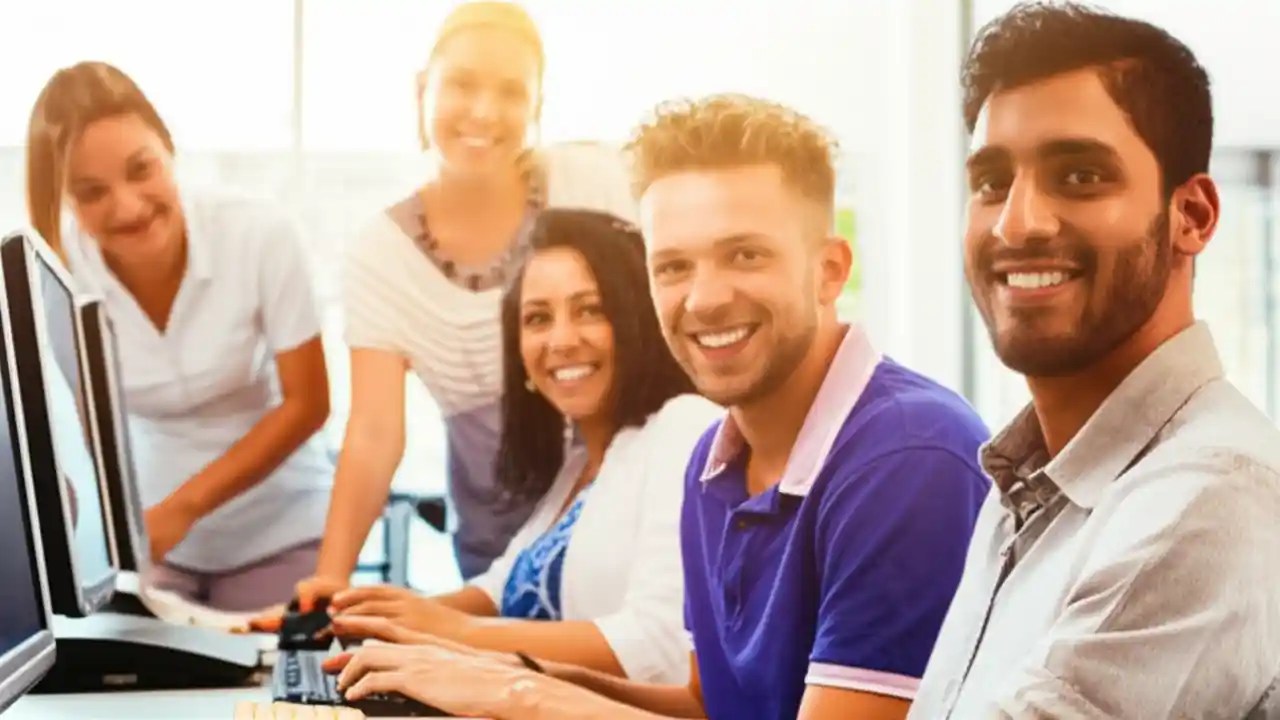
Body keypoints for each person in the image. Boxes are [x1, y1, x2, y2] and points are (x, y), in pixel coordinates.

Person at [325, 94, 992, 720]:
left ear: (829, 270)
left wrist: (520, 692)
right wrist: (475, 671)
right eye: (673, 267)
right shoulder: (713, 461)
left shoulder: (909, 456)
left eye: (745, 254)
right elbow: (707, 707)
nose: (703, 299)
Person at [906, 4, 1280, 718]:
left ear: (1192, 217)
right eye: (991, 183)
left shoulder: (1207, 498)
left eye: (1079, 176)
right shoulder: (1032, 485)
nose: (1018, 223)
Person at [295, 0, 637, 603]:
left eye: (511, 92)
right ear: (422, 90)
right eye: (462, 84)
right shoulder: (381, 251)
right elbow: (375, 433)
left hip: (626, 523)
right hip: (500, 548)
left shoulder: (592, 183)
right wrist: (330, 580)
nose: (484, 111)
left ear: (537, 107)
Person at [323, 208, 718, 684]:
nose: (561, 340)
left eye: (590, 309)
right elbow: (499, 589)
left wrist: (453, 631)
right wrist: (364, 619)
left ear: (637, 317)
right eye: (537, 319)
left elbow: (660, 642)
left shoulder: (686, 426)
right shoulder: (580, 464)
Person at [25, 61, 334, 611]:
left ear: (169, 148)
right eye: (92, 192)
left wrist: (183, 509)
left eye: (141, 169)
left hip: (279, 526)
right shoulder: (62, 270)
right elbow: (86, 430)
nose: (128, 206)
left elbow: (309, 403)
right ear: (68, 200)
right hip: (153, 543)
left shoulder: (259, 233)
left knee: (262, 680)